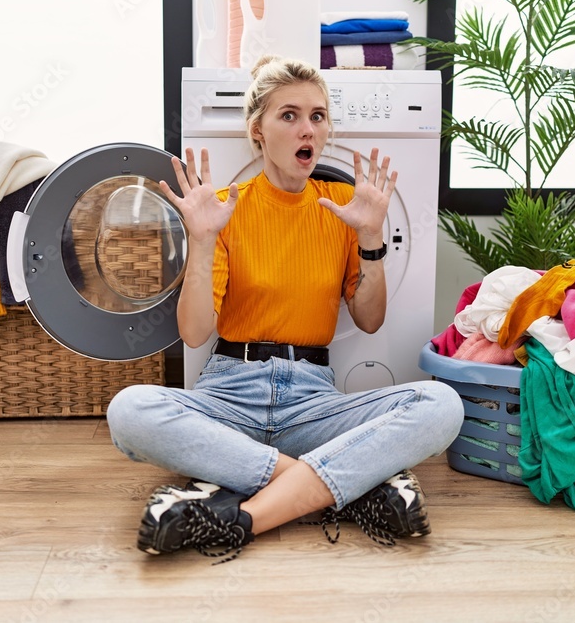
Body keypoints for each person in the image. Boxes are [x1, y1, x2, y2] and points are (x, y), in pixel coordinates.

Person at [107, 55, 463, 562]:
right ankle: (345, 485)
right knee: (130, 411)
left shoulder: (342, 206)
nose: (308, 129)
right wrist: (202, 240)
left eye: (318, 117)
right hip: (229, 393)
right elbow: (192, 332)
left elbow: (369, 319)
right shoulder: (226, 207)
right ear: (258, 131)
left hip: (312, 402)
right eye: (289, 115)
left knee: (441, 405)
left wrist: (370, 237)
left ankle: (242, 515)